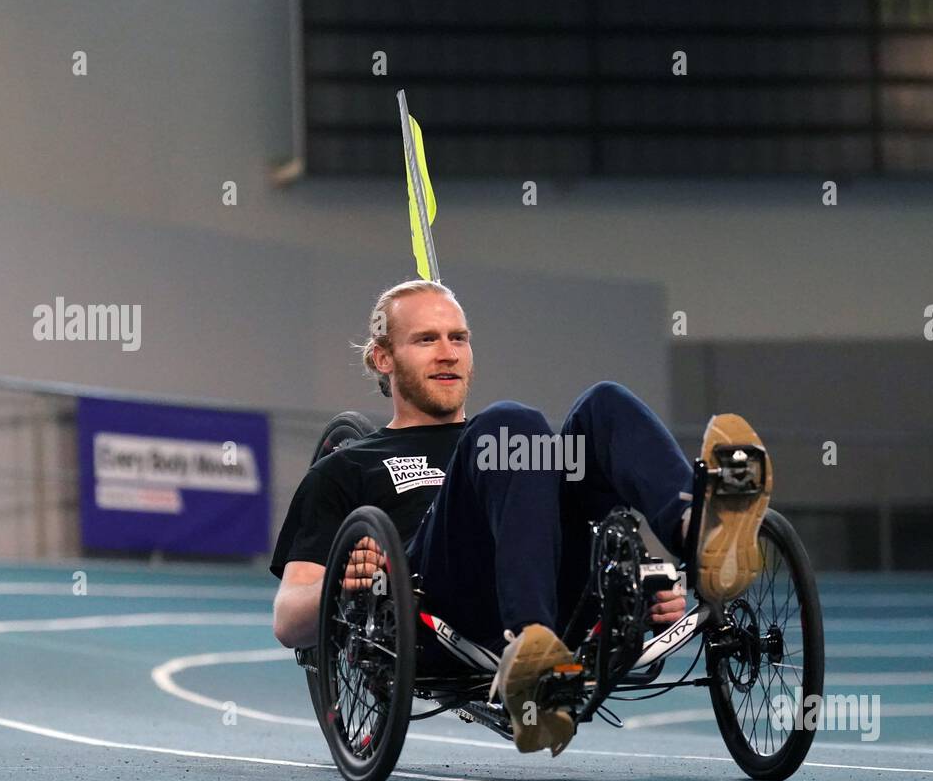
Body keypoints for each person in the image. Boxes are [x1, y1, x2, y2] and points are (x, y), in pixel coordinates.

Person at [271, 279, 772, 756]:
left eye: (458, 339)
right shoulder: (349, 466)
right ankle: (530, 654)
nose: (448, 353)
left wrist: (649, 585)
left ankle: (700, 537)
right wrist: (343, 580)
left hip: (559, 586)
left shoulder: (517, 446)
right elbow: (289, 619)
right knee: (515, 426)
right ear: (383, 358)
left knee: (603, 404)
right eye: (425, 340)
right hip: (437, 602)